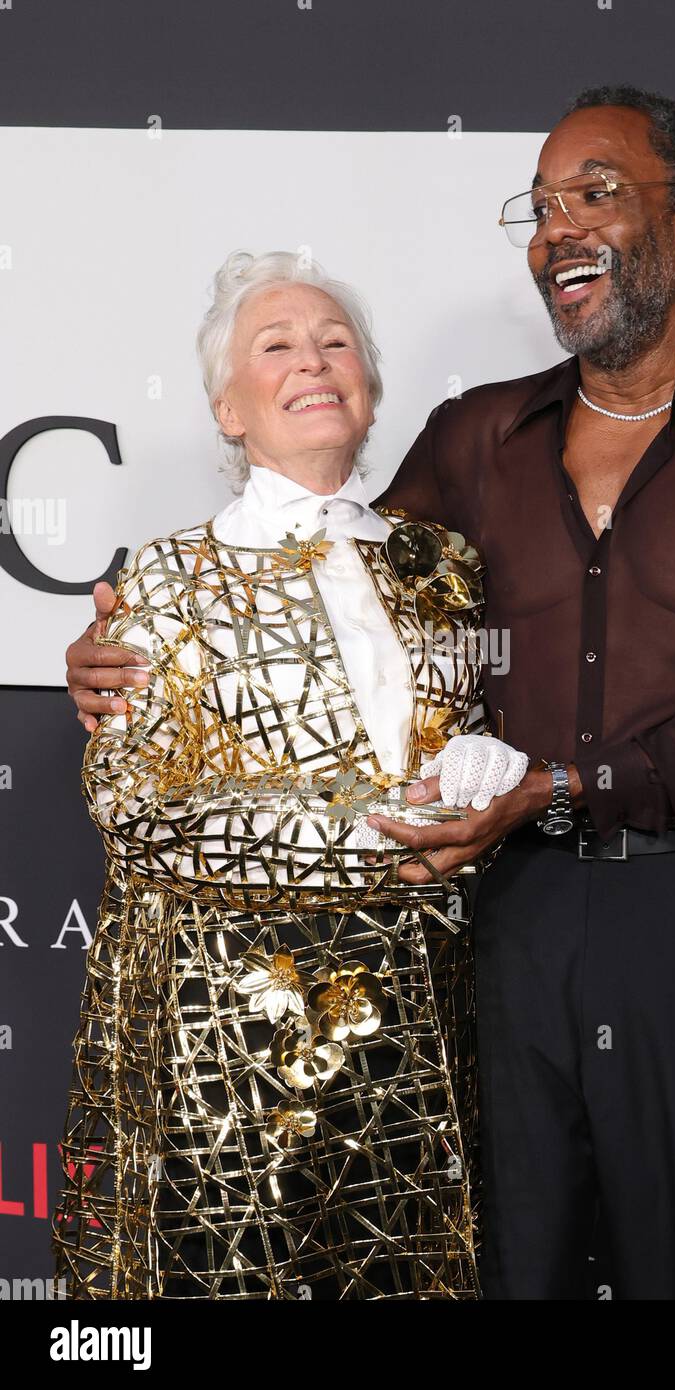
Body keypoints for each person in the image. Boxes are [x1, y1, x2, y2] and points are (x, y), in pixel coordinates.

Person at [65, 87, 675, 1300]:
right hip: (505, 918)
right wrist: (123, 640)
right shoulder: (474, 437)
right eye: (539, 208)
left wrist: (558, 783)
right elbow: (330, 595)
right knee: (503, 1265)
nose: (554, 229)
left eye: (594, 193)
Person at [52, 249, 530, 1300]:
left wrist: (476, 765)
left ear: (369, 389)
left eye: (335, 341)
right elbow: (135, 812)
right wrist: (361, 831)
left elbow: (459, 734)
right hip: (233, 1039)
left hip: (416, 1019)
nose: (313, 361)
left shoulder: (439, 566)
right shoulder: (167, 578)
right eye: (275, 346)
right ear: (229, 407)